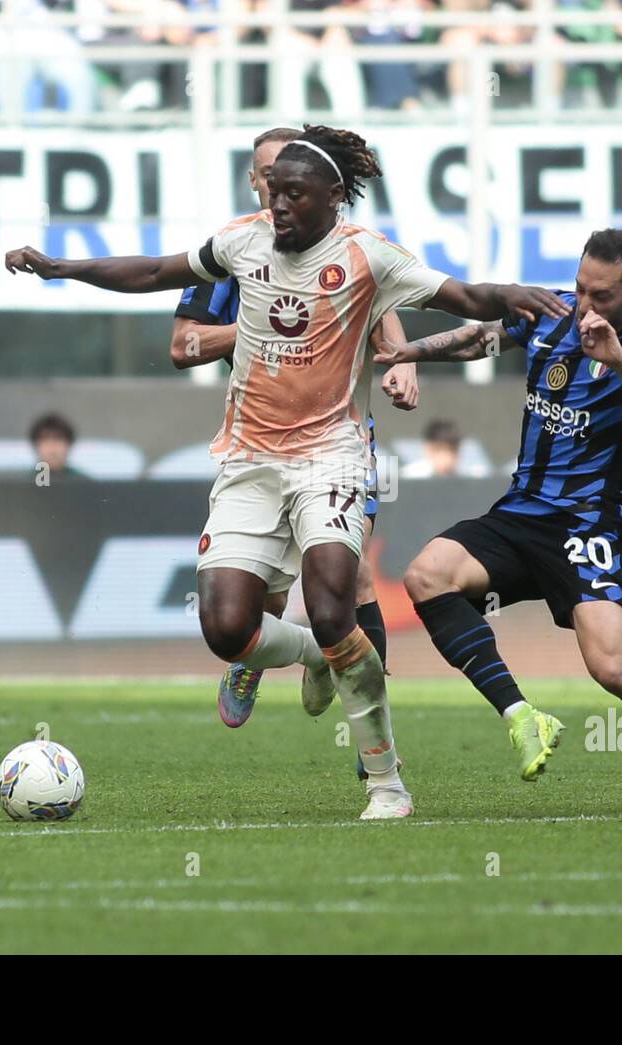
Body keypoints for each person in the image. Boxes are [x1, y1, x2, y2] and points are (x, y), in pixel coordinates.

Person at [6, 123, 563, 820]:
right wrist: (62, 269)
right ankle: (318, 653)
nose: (282, 208)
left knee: (336, 604)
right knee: (226, 628)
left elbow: (462, 296)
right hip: (246, 461)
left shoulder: (367, 255)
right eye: (275, 194)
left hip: (329, 455)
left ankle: (387, 783)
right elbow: (153, 272)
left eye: (296, 195)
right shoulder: (242, 240)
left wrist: (509, 291)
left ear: (334, 198)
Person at [375, 228, 622, 815]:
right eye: (581, 288)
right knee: (426, 575)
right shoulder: (549, 312)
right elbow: (480, 340)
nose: (586, 304)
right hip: (520, 516)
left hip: (586, 530)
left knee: (615, 670)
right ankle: (522, 715)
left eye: (603, 295)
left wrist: (614, 356)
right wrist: (412, 352)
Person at [167, 127, 419, 771]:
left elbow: (380, 306)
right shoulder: (236, 248)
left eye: (288, 176)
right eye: (265, 175)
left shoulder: (349, 250)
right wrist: (258, 326)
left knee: (347, 581)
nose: (275, 188)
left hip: (337, 436)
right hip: (259, 439)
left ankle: (373, 757)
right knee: (258, 605)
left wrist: (401, 359)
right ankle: (276, 654)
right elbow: (182, 347)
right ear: (256, 182)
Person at [29, 412, 81, 478]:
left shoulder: (86, 485)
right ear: (36, 445)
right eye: (45, 439)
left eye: (58, 439)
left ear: (69, 444)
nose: (52, 447)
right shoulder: (20, 484)